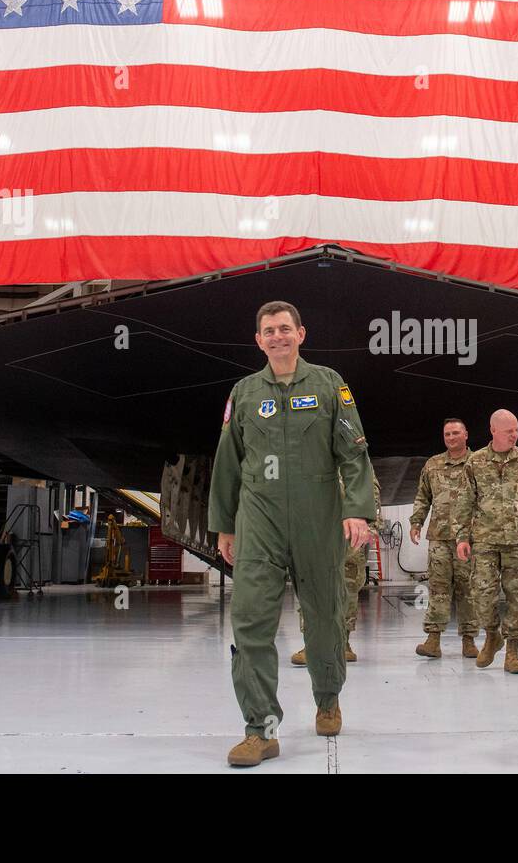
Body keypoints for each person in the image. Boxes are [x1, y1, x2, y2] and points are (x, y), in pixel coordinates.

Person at [207, 301, 375, 767]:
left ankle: (328, 697)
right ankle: (260, 729)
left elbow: (353, 451)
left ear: (301, 334)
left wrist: (358, 510)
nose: (278, 336)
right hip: (259, 519)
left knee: (324, 615)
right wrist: (224, 524)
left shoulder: (329, 384)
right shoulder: (243, 392)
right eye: (269, 331)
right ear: (258, 340)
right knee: (249, 619)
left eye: (285, 328)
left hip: (317, 518)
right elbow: (228, 460)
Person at [454, 410, 518, 673]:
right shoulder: (475, 462)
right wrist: (461, 537)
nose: (515, 435)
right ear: (493, 430)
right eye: (509, 431)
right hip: (485, 540)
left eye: (517, 430)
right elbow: (464, 501)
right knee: (482, 594)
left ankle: (512, 652)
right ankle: (491, 635)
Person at [292, 474, 381, 665]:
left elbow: (370, 495)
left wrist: (372, 528)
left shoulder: (357, 465)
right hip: (314, 533)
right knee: (310, 587)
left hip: (349, 537)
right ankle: (312, 645)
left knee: (348, 589)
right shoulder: (308, 463)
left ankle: (343, 643)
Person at [410, 419, 479, 658]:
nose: (451, 437)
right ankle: (433, 640)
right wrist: (416, 522)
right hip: (439, 537)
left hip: (467, 538)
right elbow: (423, 496)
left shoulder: (477, 463)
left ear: (466, 434)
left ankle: (469, 640)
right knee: (438, 588)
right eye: (447, 434)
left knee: (467, 589)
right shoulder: (433, 464)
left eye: (456, 433)